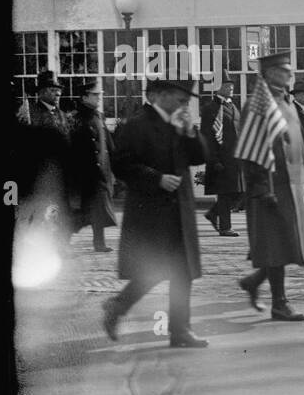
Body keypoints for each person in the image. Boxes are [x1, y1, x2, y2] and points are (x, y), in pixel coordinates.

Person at [102, 76, 211, 347]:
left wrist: (190, 133)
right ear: (160, 96)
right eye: (181, 99)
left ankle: (180, 331)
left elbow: (200, 157)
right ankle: (117, 306)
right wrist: (156, 178)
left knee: (182, 271)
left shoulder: (179, 123)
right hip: (150, 212)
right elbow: (122, 165)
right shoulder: (137, 125)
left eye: (187, 101)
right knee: (152, 271)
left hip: (180, 211)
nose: (185, 105)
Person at [236, 52, 304, 320]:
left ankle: (254, 282)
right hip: (269, 187)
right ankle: (279, 304)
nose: (291, 74)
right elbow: (251, 150)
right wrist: (260, 187)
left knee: (289, 243)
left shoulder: (288, 103)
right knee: (275, 245)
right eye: (285, 70)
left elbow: (299, 145)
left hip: (294, 184)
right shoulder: (258, 104)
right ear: (269, 74)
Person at [68, 78, 117, 252]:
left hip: (101, 170)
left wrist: (112, 168)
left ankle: (99, 243)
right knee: (79, 212)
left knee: (99, 208)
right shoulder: (74, 118)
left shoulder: (99, 116)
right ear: (83, 97)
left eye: (99, 95)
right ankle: (62, 241)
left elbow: (109, 144)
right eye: (95, 95)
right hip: (84, 172)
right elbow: (70, 147)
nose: (99, 98)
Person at [199, 79, 242, 236]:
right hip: (220, 159)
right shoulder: (210, 108)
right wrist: (214, 160)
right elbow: (207, 136)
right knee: (225, 193)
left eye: (232, 86)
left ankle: (213, 213)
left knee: (239, 192)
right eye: (227, 86)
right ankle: (225, 227)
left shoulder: (233, 106)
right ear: (218, 88)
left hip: (235, 158)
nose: (231, 89)